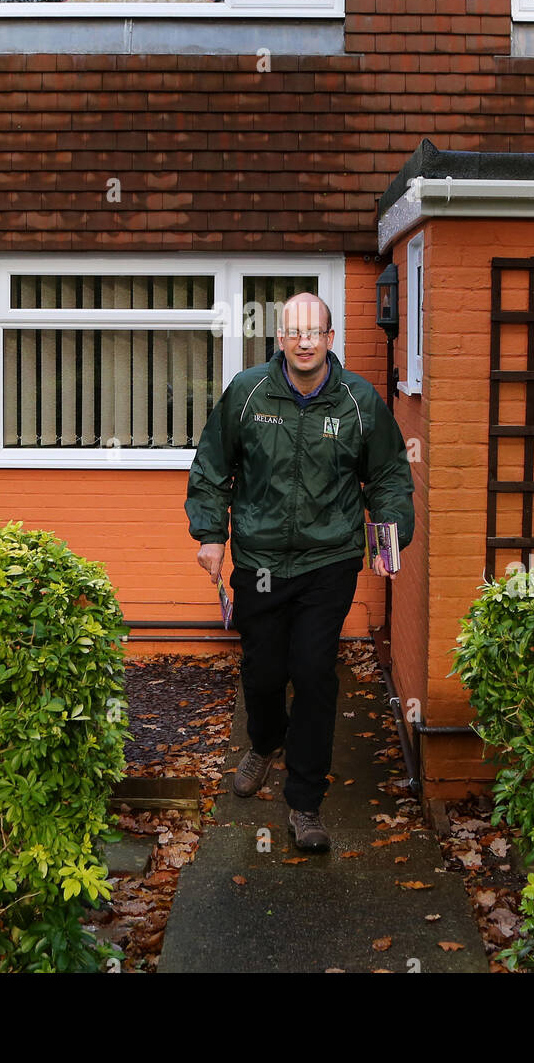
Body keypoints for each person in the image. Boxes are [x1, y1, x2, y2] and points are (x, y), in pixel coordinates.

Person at [184, 291, 415, 852]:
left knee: (313, 674)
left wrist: (386, 540)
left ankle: (305, 803)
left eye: (316, 332)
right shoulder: (247, 393)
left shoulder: (359, 402)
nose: (305, 341)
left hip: (326, 562)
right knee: (263, 673)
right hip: (260, 561)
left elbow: (386, 476)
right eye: (294, 332)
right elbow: (213, 466)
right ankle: (264, 742)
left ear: (330, 339)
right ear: (280, 338)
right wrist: (212, 534)